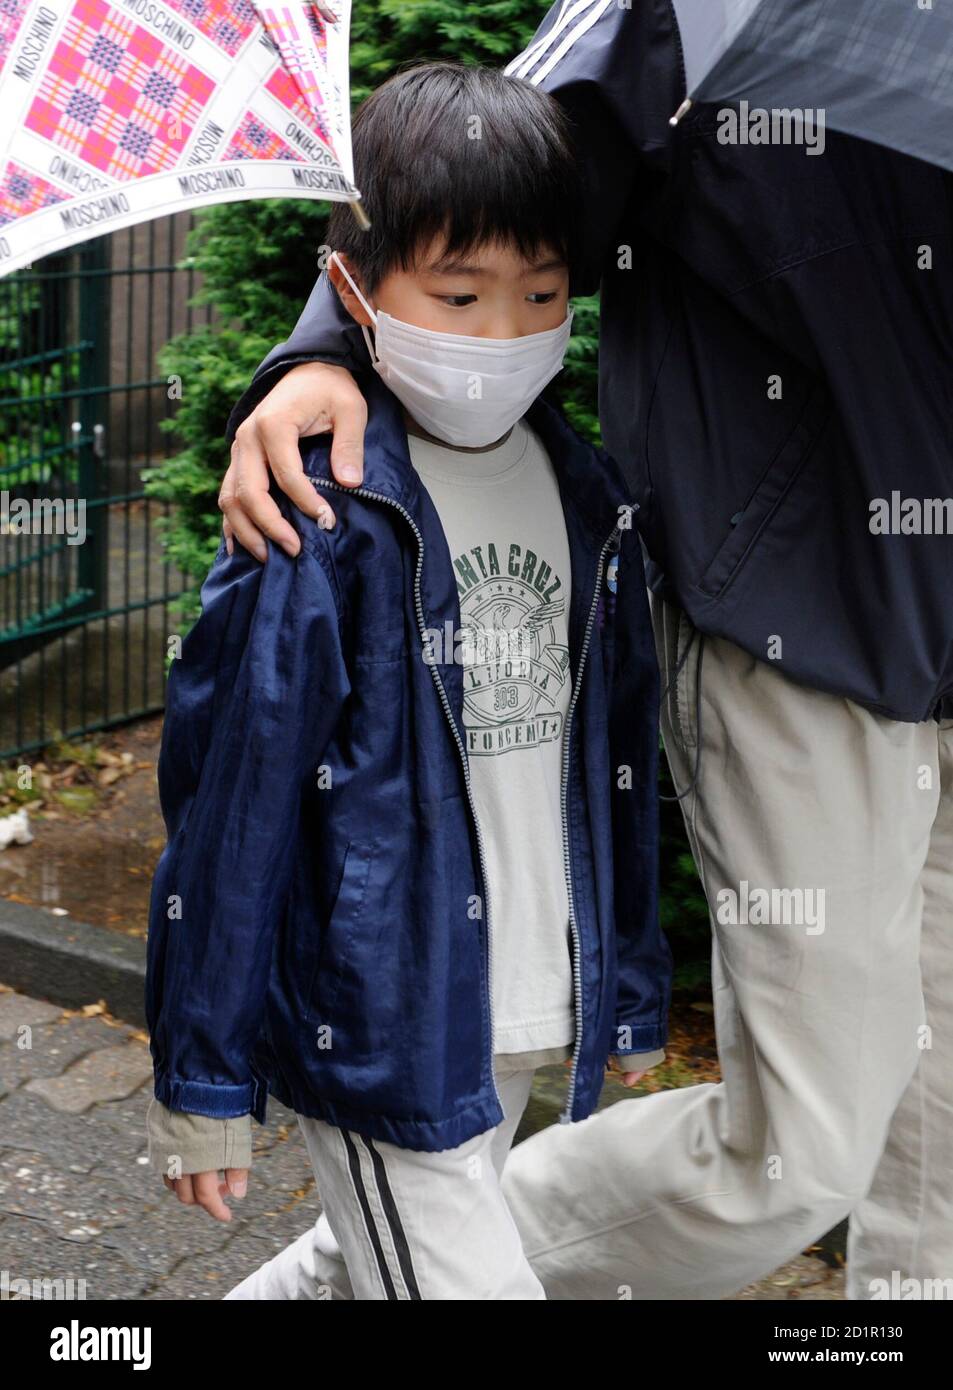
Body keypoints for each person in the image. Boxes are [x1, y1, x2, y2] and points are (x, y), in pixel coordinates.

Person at [218, 2, 953, 1301]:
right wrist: (325, 352)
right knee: (801, 1151)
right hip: (811, 617)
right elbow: (500, 160)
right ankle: (385, 1259)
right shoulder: (715, 10)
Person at [144, 62, 672, 1300]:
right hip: (385, 1023)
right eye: (457, 293)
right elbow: (234, 803)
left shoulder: (584, 489)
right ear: (352, 291)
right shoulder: (316, 514)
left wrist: (626, 987)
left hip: (529, 1005)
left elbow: (614, 762)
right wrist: (201, 1078)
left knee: (358, 1262)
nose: (502, 330)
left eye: (538, 292)